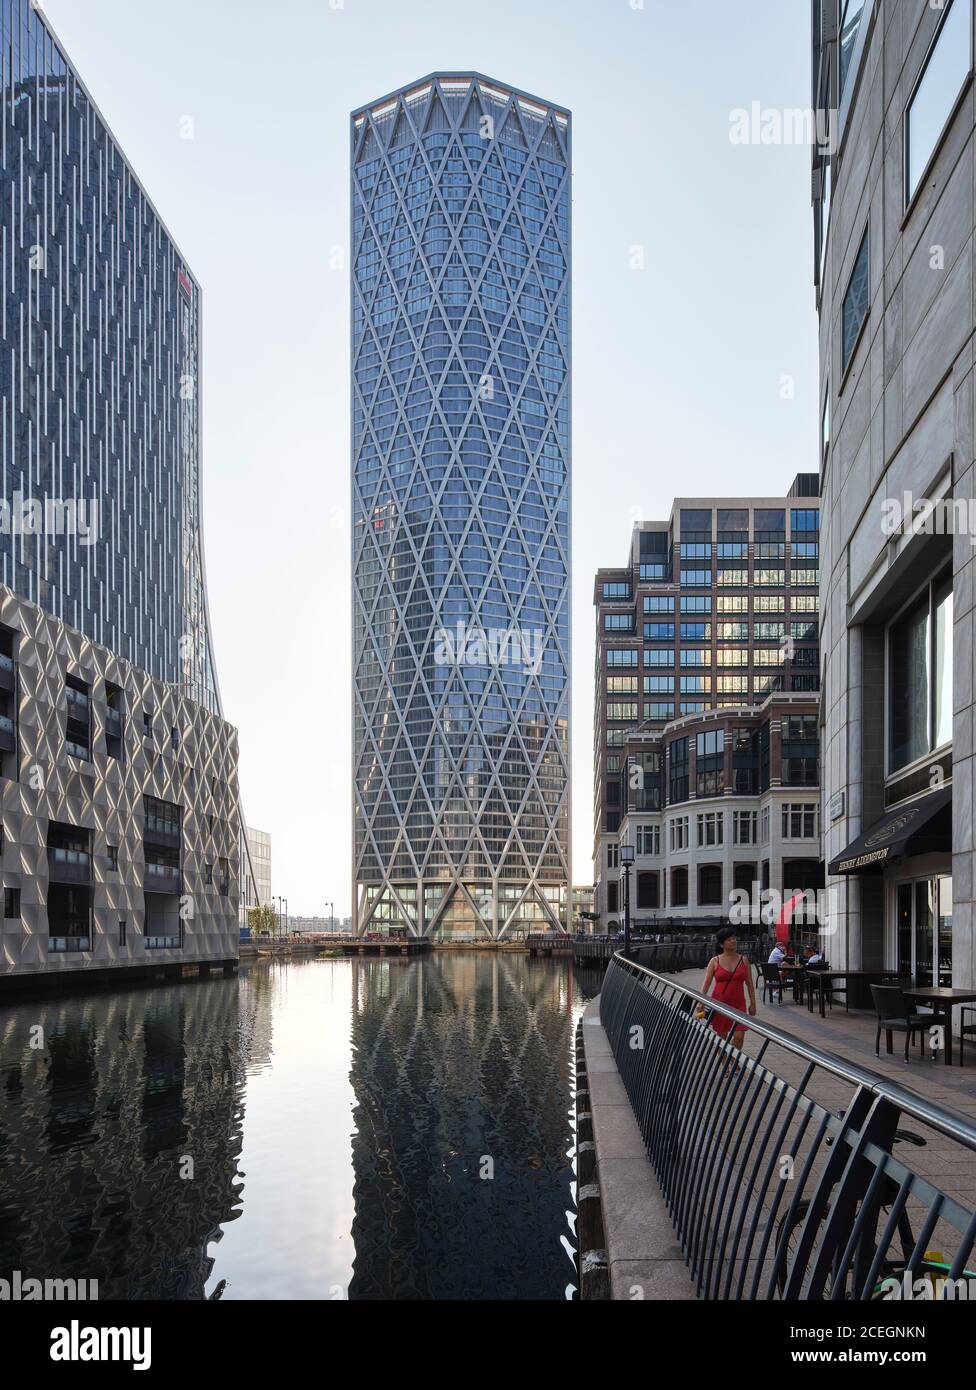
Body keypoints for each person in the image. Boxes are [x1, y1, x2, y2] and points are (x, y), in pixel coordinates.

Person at [700, 927, 757, 1054]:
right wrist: (701, 1002)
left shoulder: (743, 960)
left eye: (734, 938)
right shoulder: (715, 961)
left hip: (739, 1004)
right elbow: (707, 983)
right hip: (720, 1003)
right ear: (721, 944)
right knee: (722, 1036)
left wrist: (753, 1004)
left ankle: (731, 1059)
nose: (733, 941)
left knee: (739, 1036)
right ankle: (725, 1063)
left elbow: (749, 984)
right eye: (729, 939)